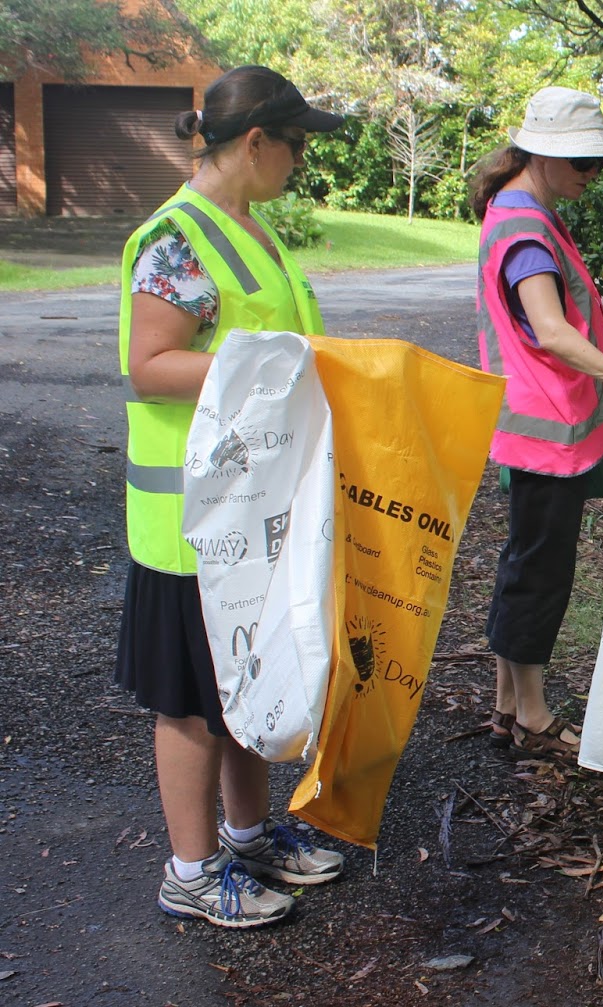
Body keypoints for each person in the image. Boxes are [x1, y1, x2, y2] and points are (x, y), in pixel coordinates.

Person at [116, 66, 347, 928]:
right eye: (297, 145)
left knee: (245, 681)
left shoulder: (250, 229)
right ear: (257, 142)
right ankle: (190, 869)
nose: (301, 163)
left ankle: (248, 836)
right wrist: (272, 369)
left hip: (252, 515)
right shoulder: (176, 238)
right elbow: (150, 365)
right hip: (190, 526)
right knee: (188, 702)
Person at [471, 86, 603, 759]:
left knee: (523, 565)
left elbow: (545, 322)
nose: (593, 174)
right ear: (544, 154)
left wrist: (602, 335)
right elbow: (553, 331)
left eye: (599, 164)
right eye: (584, 162)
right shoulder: (527, 226)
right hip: (545, 431)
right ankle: (531, 709)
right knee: (541, 574)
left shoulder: (522, 208)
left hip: (533, 425)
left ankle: (507, 701)